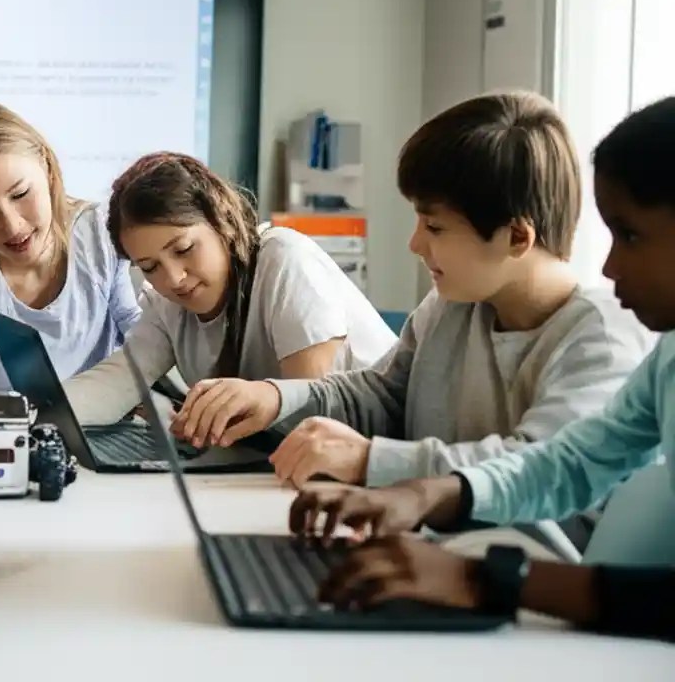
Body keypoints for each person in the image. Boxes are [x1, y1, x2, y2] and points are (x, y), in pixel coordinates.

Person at [285, 96, 675, 642]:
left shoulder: (607, 336)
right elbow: (569, 461)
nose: (609, 266)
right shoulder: (668, 357)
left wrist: (487, 579)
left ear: (518, 236)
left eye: (630, 236)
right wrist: (426, 493)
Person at [169, 91, 653, 487]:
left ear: (517, 237)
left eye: (435, 228)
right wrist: (275, 399)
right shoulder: (453, 304)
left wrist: (371, 462)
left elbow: (537, 469)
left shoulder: (601, 336)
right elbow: (383, 397)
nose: (415, 243)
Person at [63, 152, 397, 426]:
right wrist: (33, 417)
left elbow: (310, 414)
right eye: (150, 267)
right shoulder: (163, 305)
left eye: (183, 250)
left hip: (375, 456)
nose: (174, 278)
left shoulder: (283, 260)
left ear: (220, 220)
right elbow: (118, 380)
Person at [0, 101, 141, 392]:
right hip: (7, 437)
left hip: (107, 425)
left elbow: (136, 330)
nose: (11, 225)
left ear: (47, 167)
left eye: (20, 194)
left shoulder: (101, 231)